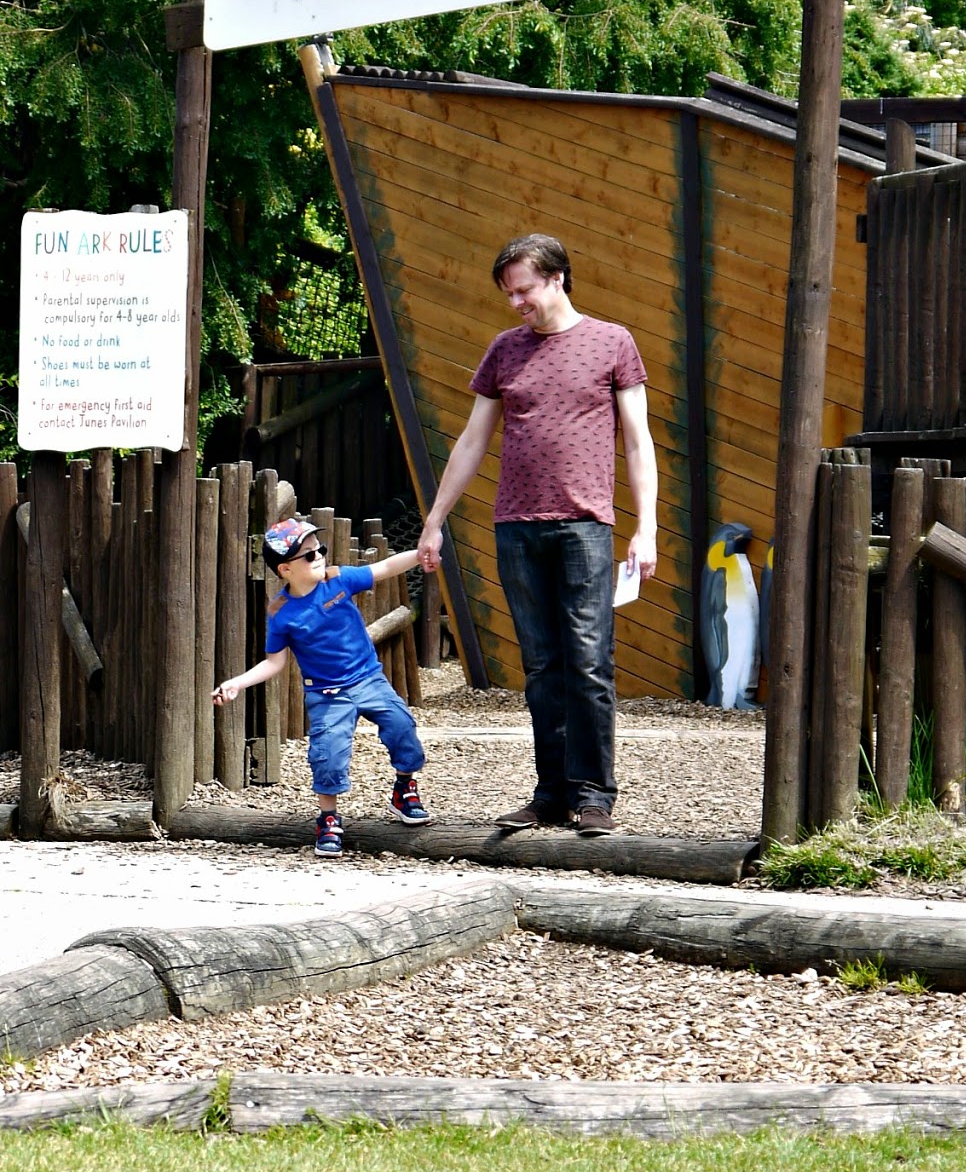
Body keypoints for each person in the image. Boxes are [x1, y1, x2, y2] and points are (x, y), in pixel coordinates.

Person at [417, 233, 658, 837]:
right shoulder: (505, 351)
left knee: (588, 662)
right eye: (508, 293)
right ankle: (550, 794)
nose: (515, 302)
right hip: (516, 528)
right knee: (542, 666)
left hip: (584, 526)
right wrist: (435, 519)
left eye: (523, 289)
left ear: (556, 279)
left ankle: (595, 794)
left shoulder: (612, 342)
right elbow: (473, 441)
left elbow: (637, 442)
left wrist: (647, 527)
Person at [213, 518, 431, 858]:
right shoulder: (281, 613)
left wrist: (422, 552)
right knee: (327, 755)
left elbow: (385, 566)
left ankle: (404, 788)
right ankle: (328, 819)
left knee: (403, 726)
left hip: (369, 679)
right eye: (309, 555)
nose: (319, 557)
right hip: (327, 695)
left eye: (320, 550)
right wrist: (236, 683)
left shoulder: (338, 580)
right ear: (286, 569)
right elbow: (274, 662)